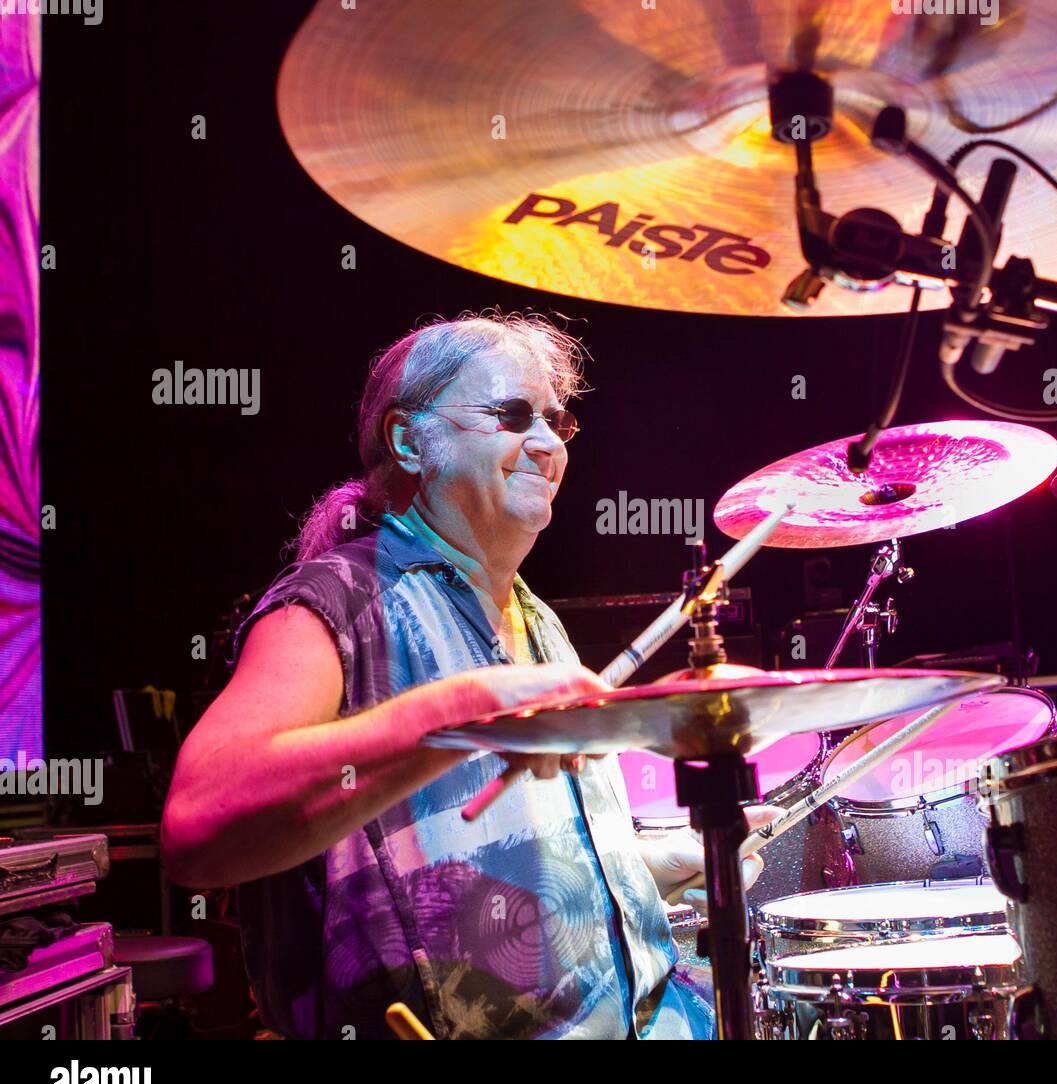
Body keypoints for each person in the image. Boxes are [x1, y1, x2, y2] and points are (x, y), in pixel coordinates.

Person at [160, 311, 773, 1039]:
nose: (547, 445)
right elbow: (199, 826)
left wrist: (642, 867)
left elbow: (486, 862)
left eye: (557, 421)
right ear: (408, 440)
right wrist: (460, 712)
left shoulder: (536, 618)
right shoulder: (337, 604)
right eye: (512, 417)